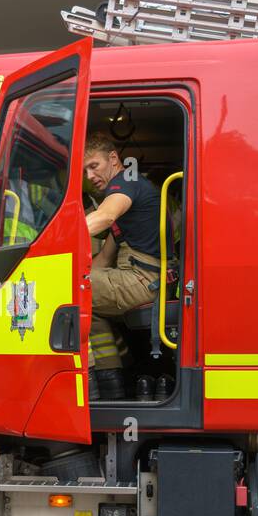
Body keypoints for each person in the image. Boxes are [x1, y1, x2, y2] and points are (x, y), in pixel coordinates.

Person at [82, 131, 175, 400]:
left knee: (66, 290)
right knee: (87, 296)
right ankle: (113, 384)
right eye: (84, 170)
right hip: (145, 281)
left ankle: (86, 386)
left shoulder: (125, 183)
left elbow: (104, 215)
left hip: (141, 281)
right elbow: (103, 260)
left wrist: (53, 240)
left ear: (113, 159)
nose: (90, 176)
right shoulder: (131, 194)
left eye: (94, 166)